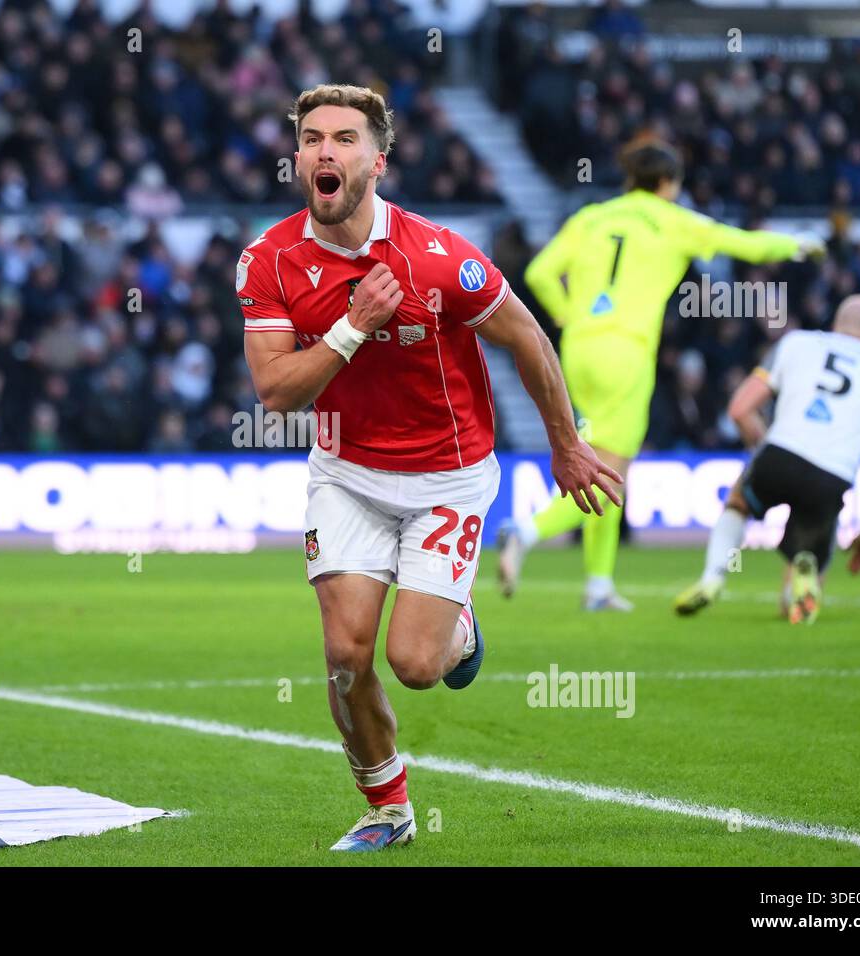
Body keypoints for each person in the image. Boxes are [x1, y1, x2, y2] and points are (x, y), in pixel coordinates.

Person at [239, 84, 620, 851]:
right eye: (312, 137)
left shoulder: (439, 256)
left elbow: (528, 338)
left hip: (448, 475)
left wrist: (565, 443)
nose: (324, 151)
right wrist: (353, 327)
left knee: (414, 664)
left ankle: (458, 623)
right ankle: (388, 809)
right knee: (345, 653)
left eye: (344, 139)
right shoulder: (270, 260)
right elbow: (276, 392)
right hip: (346, 472)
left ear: (377, 161)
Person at [498, 138, 823, 610]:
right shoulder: (673, 220)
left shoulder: (591, 217)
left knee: (600, 462)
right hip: (626, 353)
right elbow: (744, 243)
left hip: (578, 350)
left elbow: (541, 273)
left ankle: (599, 585)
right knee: (609, 476)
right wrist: (797, 244)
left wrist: (569, 316)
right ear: (668, 183)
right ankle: (526, 532)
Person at [674, 295, 860, 623]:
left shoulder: (796, 344)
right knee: (808, 547)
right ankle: (801, 575)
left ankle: (713, 576)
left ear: (837, 324)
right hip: (832, 476)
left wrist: (764, 447)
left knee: (739, 502)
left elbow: (740, 409)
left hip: (780, 454)